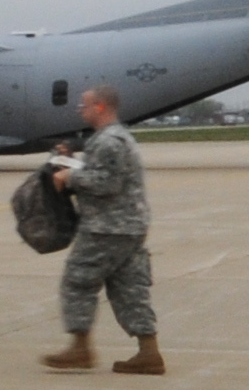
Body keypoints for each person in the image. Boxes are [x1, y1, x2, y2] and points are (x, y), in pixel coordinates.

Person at [39, 83, 160, 373]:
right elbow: (102, 173)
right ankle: (149, 353)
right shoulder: (115, 138)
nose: (80, 110)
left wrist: (68, 177)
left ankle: (80, 349)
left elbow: (107, 183)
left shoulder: (108, 142)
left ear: (101, 107)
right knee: (129, 288)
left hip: (107, 227)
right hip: (127, 227)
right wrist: (69, 161)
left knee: (77, 281)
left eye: (84, 105)